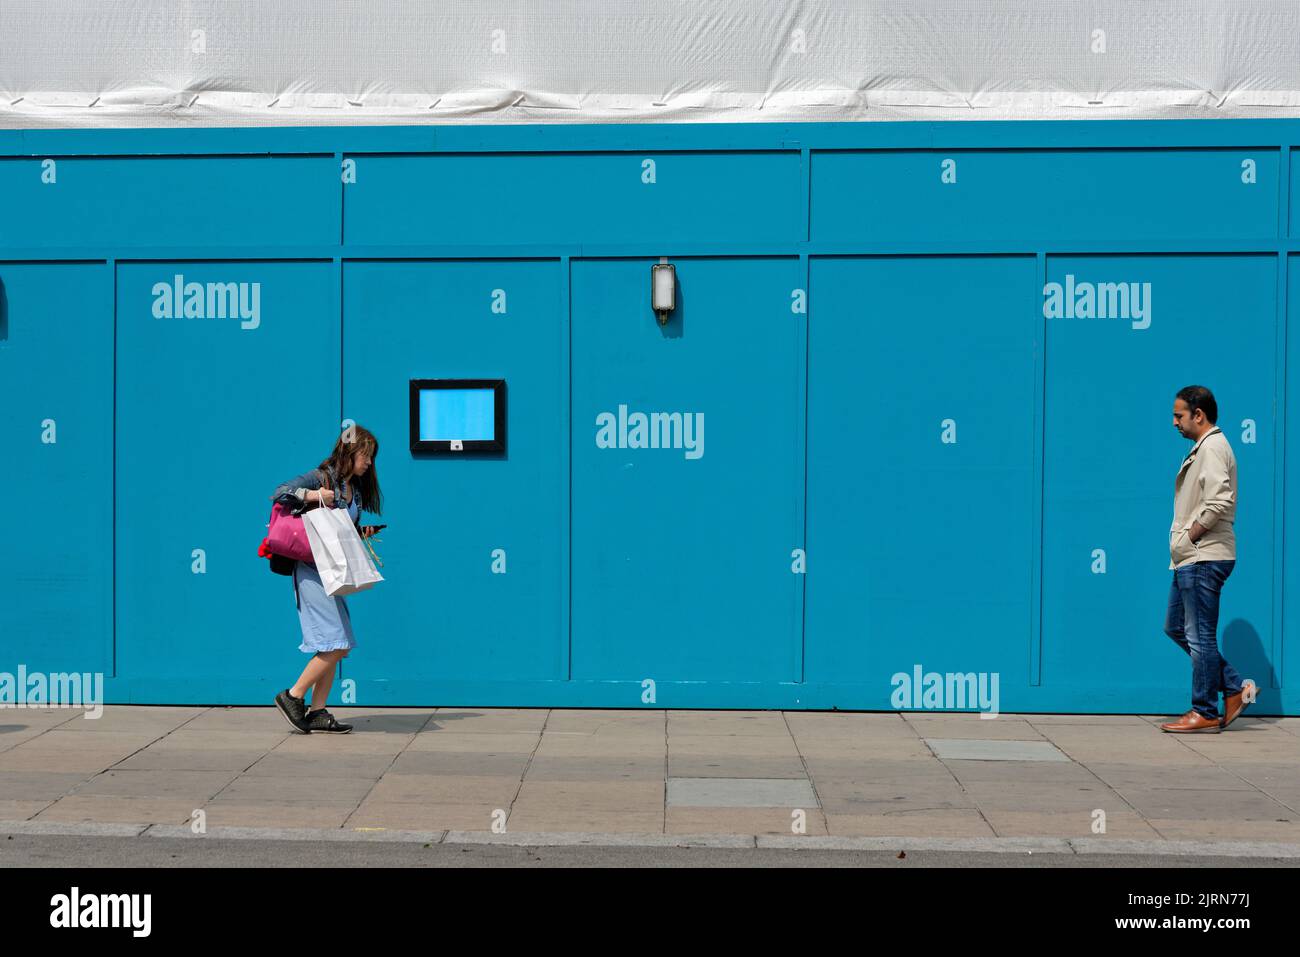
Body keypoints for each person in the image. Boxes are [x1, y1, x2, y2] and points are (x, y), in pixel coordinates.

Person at [270, 426, 385, 734]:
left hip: (333, 572)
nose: (369, 463)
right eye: (366, 455)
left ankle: (318, 712)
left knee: (339, 644)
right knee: (335, 643)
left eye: (372, 457)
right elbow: (280, 492)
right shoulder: (320, 477)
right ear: (350, 451)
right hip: (310, 570)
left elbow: (336, 531)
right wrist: (313, 494)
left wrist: (363, 533)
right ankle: (293, 696)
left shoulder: (354, 489)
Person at [1160, 386, 1255, 733]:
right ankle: (1232, 688)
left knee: (1199, 636)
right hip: (1191, 557)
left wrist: (1191, 535)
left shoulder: (1213, 447)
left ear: (1198, 415)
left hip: (1203, 556)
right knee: (1176, 627)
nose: (1174, 422)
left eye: (1179, 415)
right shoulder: (1202, 448)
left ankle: (1204, 709)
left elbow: (1220, 501)